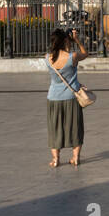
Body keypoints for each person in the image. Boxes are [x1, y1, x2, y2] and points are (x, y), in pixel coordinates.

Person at [46, 26, 88, 167]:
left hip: (53, 98)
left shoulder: (48, 58)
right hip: (71, 97)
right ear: (65, 41)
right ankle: (75, 158)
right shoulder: (72, 57)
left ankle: (56, 159)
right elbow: (85, 53)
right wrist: (76, 40)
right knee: (75, 127)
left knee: (55, 128)